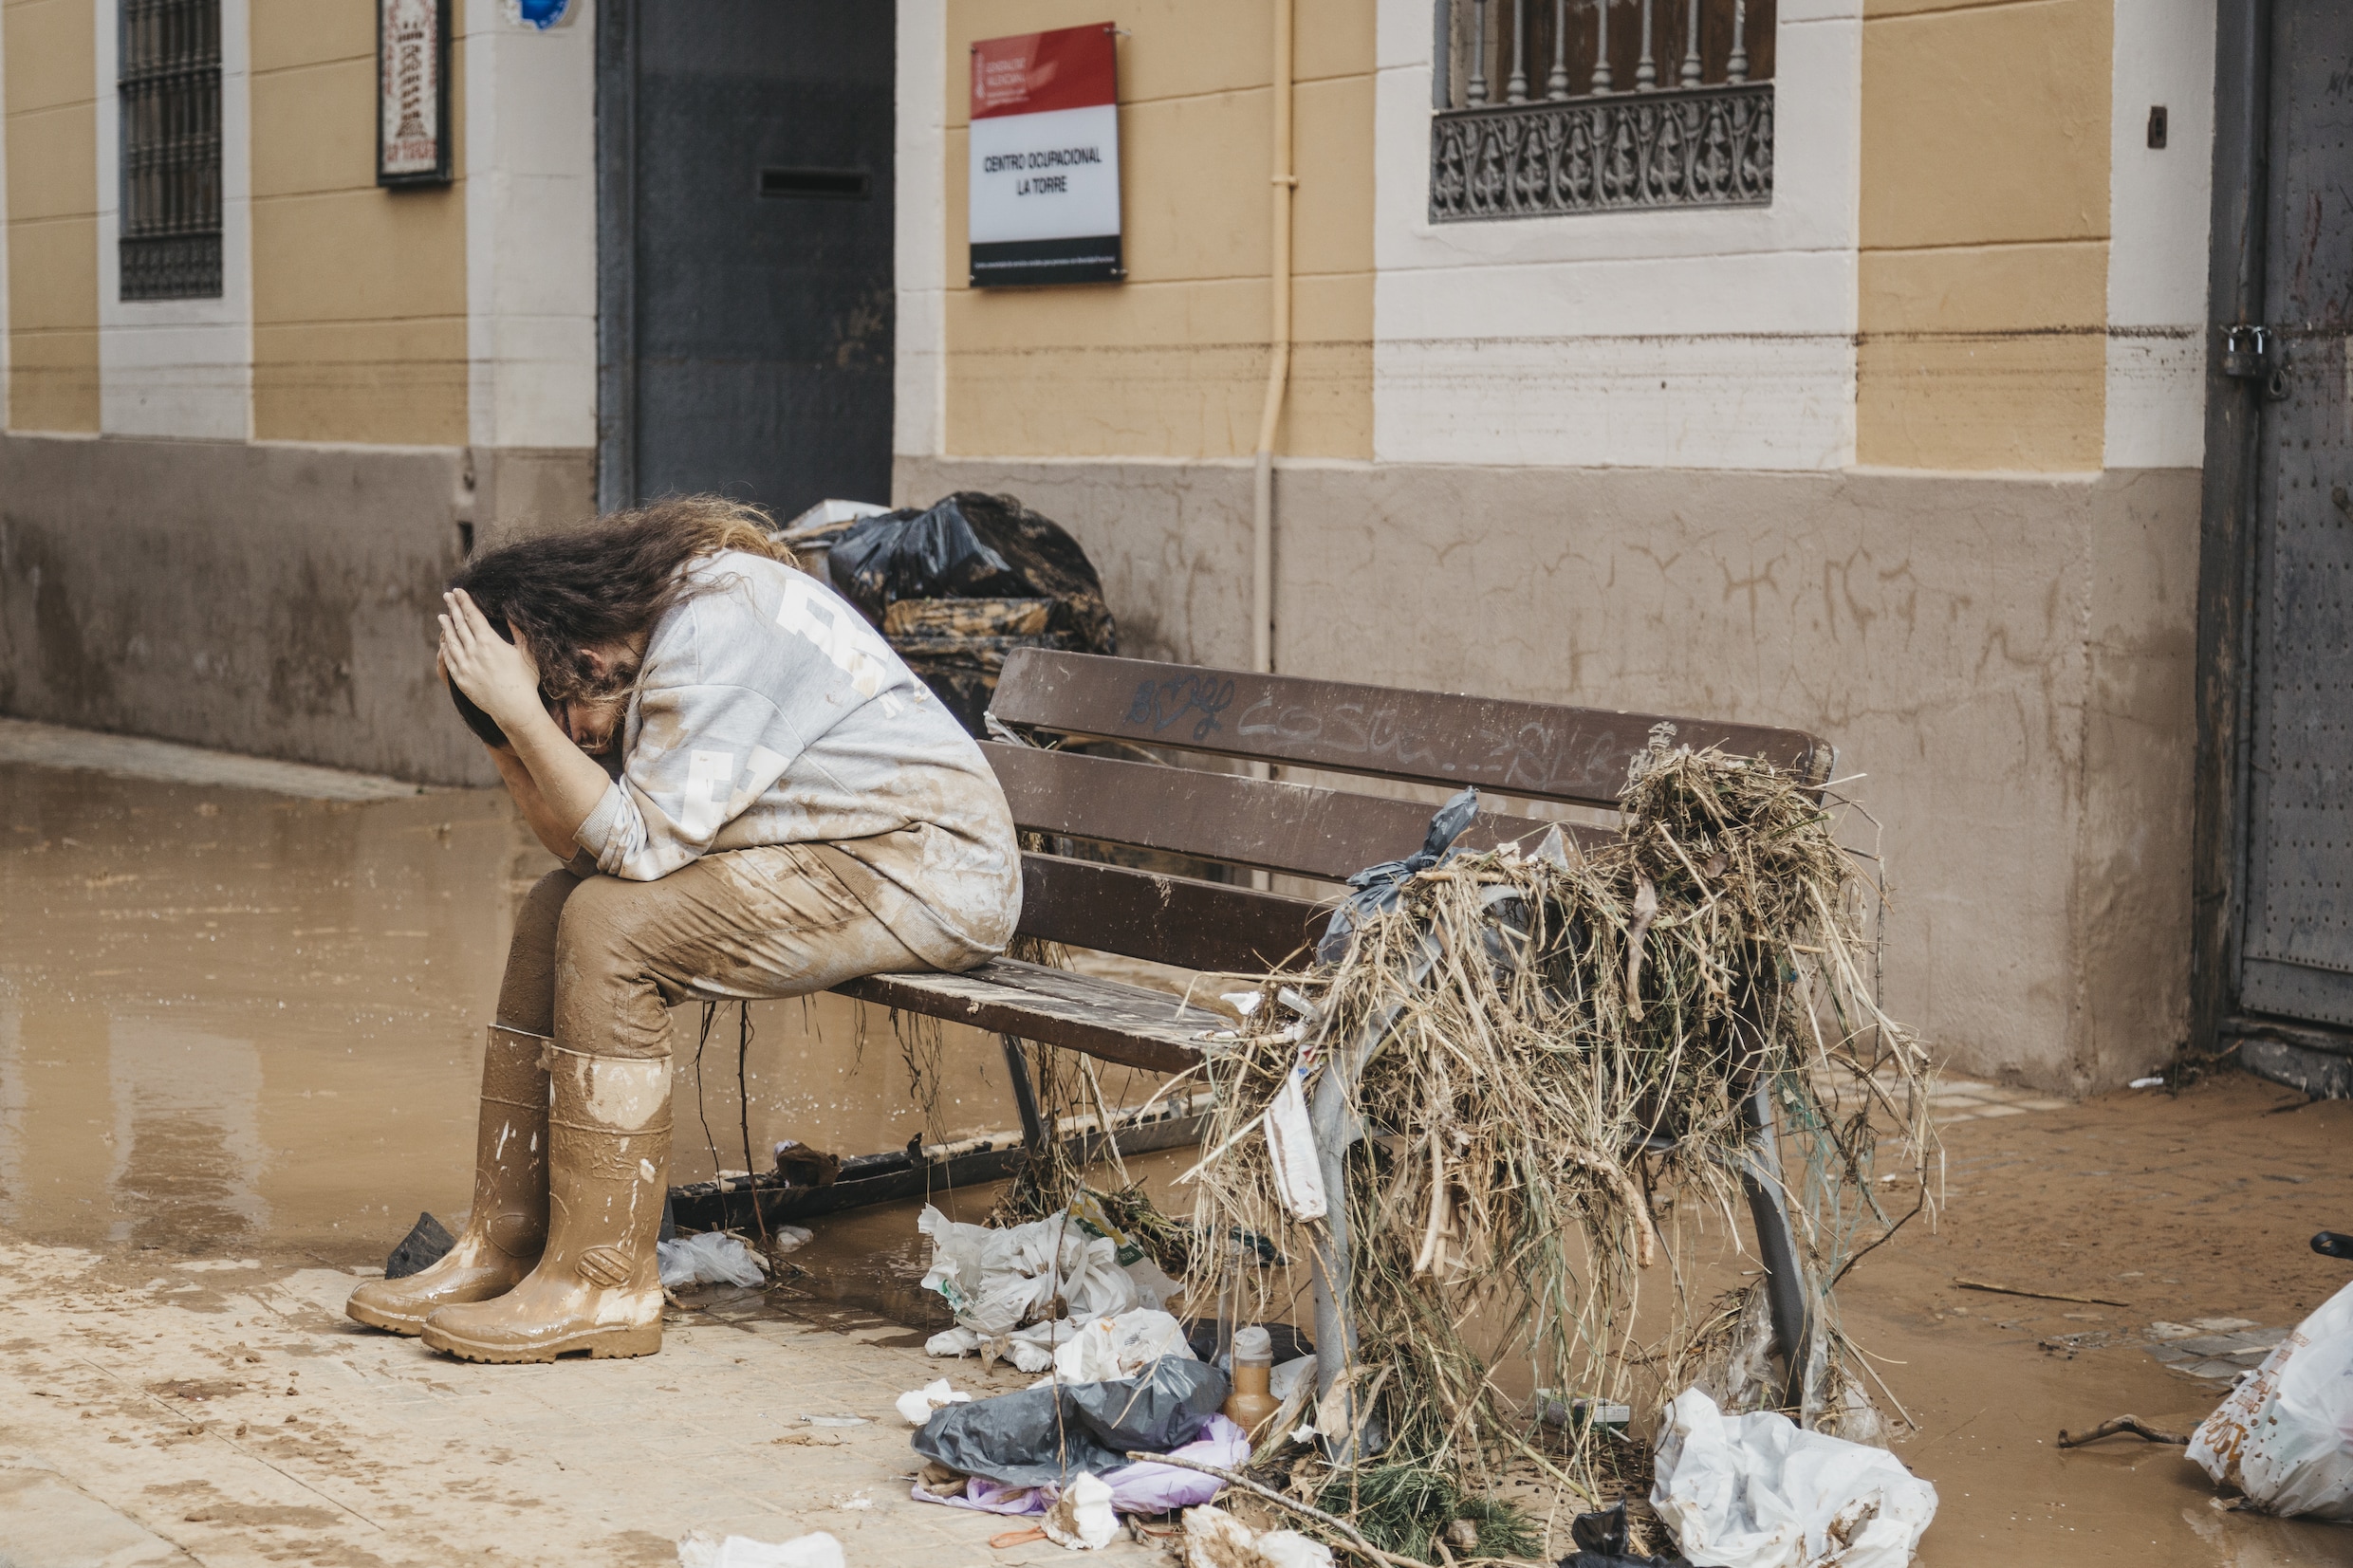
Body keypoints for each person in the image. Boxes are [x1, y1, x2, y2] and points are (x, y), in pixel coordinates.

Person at [344, 497, 1021, 1362]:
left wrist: (517, 715)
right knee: (555, 906)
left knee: (606, 927)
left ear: (576, 657)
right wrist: (507, 737)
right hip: (846, 849)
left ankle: (603, 1282)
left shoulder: (709, 631)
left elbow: (631, 848)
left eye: (562, 720)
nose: (579, 745)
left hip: (929, 868)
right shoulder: (655, 637)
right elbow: (581, 854)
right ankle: (506, 1242)